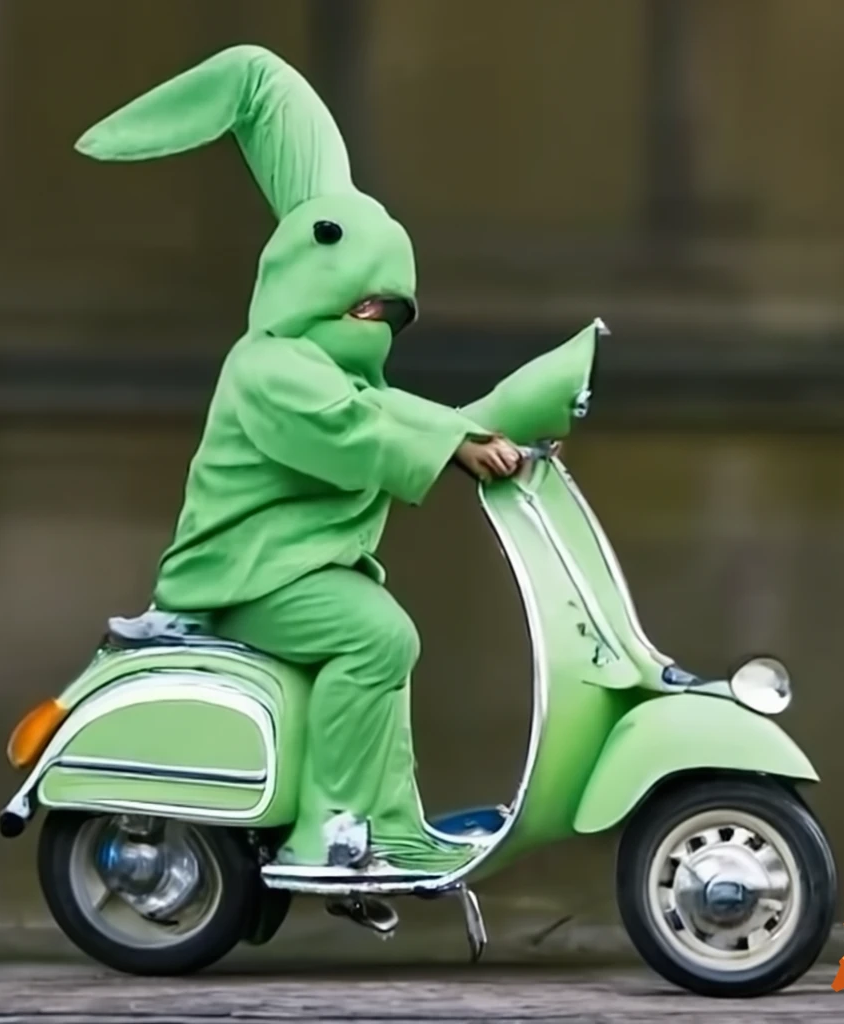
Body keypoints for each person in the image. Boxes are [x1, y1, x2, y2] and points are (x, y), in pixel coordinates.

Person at [76, 44, 522, 891]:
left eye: (391, 313)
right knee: (377, 635)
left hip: (292, 569)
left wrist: (490, 428)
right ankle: (331, 832)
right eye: (362, 305)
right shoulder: (272, 365)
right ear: (301, 275)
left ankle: (393, 824)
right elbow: (351, 430)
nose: (376, 323)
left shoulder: (335, 369)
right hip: (243, 573)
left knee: (381, 640)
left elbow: (387, 408)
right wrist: (451, 445)